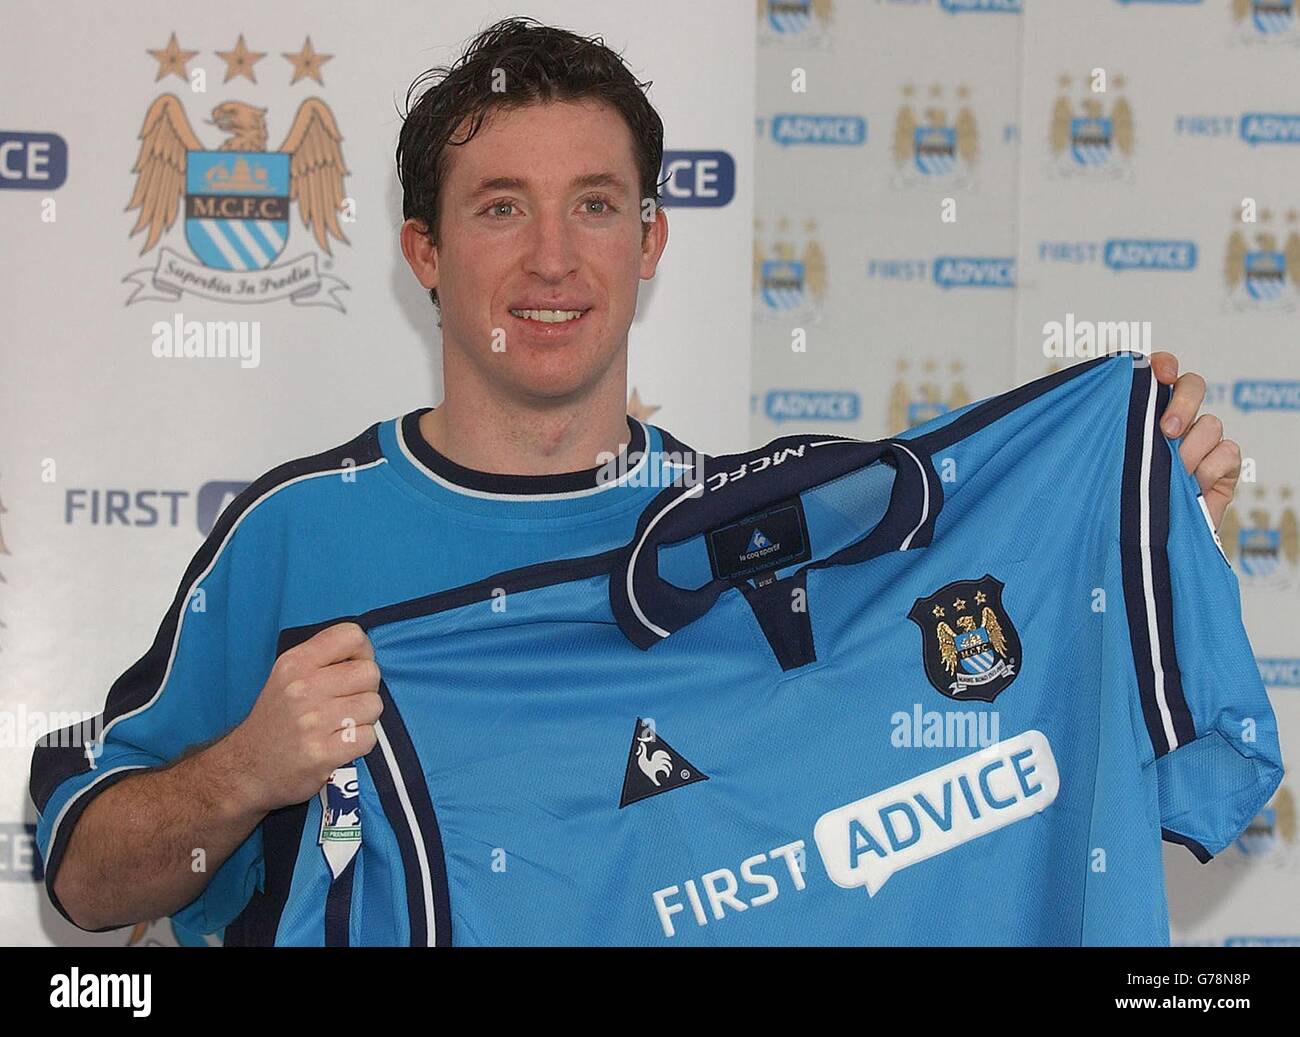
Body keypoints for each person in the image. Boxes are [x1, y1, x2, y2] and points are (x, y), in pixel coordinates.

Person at [31, 16, 1241, 938]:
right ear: (425, 254)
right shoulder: (297, 534)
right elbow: (87, 887)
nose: (553, 258)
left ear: (650, 240)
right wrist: (249, 768)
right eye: (501, 208)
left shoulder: (761, 538)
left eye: (596, 206)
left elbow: (982, 793)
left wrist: (1136, 539)